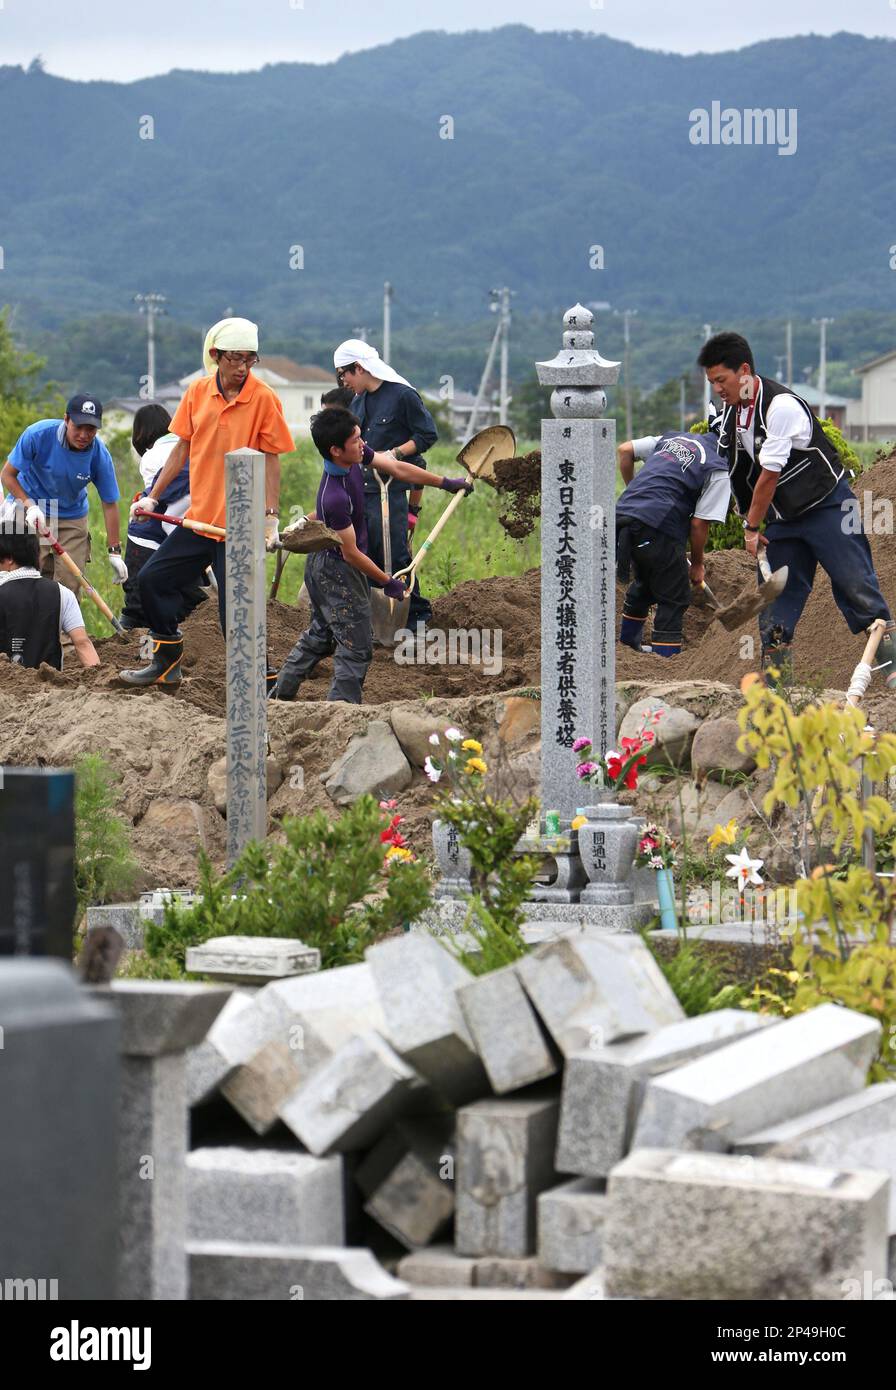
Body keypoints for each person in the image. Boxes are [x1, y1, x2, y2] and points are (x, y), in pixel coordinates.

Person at [698, 331, 896, 685]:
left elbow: (769, 477)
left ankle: (892, 674)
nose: (717, 388)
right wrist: (751, 518)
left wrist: (751, 528)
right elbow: (740, 474)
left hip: (827, 508)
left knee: (857, 588)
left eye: (721, 380)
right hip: (783, 523)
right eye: (711, 382)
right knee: (775, 612)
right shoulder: (731, 417)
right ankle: (778, 697)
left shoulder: (781, 406)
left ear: (744, 371)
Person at [119, 317, 295, 687]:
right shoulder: (198, 393)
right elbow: (181, 448)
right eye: (235, 359)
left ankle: (262, 677)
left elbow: (273, 458)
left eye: (250, 359)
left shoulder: (263, 398)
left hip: (240, 527)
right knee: (151, 580)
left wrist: (270, 516)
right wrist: (153, 497)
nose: (243, 368)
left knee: (235, 613)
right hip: (202, 523)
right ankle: (167, 660)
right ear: (216, 356)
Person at [270, 406, 471, 704]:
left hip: (324, 564)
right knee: (356, 647)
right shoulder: (334, 496)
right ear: (336, 450)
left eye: (360, 436)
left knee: (322, 634)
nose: (362, 444)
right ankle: (340, 712)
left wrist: (444, 482)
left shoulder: (355, 456)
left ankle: (278, 698)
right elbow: (350, 554)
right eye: (355, 440)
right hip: (336, 571)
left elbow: (398, 469)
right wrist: (387, 581)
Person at [333, 339, 438, 629]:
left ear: (359, 367)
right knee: (367, 553)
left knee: (394, 553)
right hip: (362, 490)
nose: (344, 382)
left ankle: (416, 617)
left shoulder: (402, 395)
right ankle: (375, 620)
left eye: (345, 375)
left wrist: (393, 454)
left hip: (389, 488)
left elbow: (426, 435)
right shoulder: (358, 401)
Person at [615, 428, 731, 656]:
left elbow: (625, 450)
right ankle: (665, 664)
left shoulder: (672, 438)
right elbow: (699, 524)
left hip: (623, 518)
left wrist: (636, 494)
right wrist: (697, 564)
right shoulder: (718, 467)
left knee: (646, 582)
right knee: (674, 596)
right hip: (659, 526)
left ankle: (627, 650)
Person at [1, 393, 125, 596]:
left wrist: (115, 553)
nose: (84, 435)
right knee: (25, 574)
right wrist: (29, 505)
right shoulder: (38, 435)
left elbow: (109, 502)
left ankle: (60, 627)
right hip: (31, 505)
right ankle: (20, 625)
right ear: (66, 420)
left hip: (71, 513)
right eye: (79, 427)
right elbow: (7, 476)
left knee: (69, 582)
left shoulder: (99, 455)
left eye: (91, 429)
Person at [119, 403, 207, 630]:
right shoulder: (189, 449)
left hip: (151, 536)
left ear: (141, 433)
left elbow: (157, 502)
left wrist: (149, 497)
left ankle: (133, 641)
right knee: (184, 598)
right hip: (186, 531)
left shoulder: (153, 456)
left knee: (139, 602)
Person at [0, 520, 99, 669]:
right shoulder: (63, 593)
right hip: (50, 685)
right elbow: (82, 643)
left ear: (9, 559)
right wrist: (96, 678)